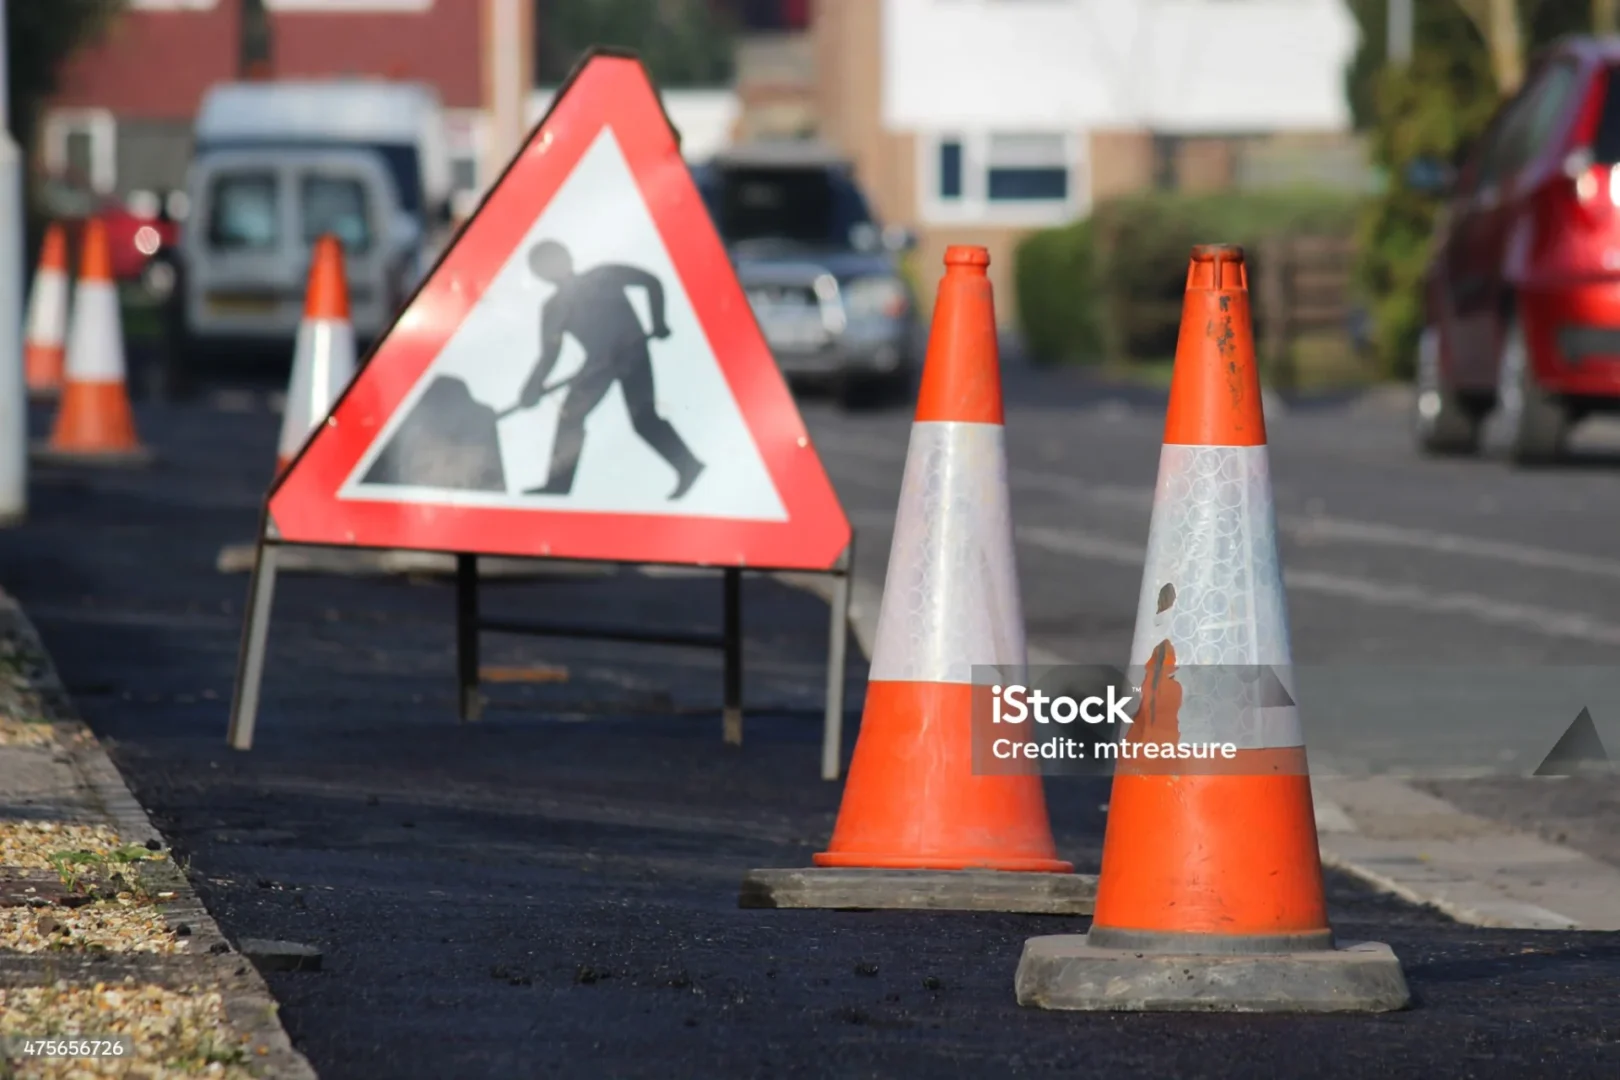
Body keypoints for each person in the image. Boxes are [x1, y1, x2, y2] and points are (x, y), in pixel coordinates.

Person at [518, 240, 705, 499]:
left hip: (631, 353)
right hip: (598, 364)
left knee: (643, 418)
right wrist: (532, 387)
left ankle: (688, 465)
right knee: (570, 417)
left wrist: (658, 321)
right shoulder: (553, 307)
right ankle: (558, 484)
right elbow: (550, 354)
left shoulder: (604, 276)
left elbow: (650, 282)